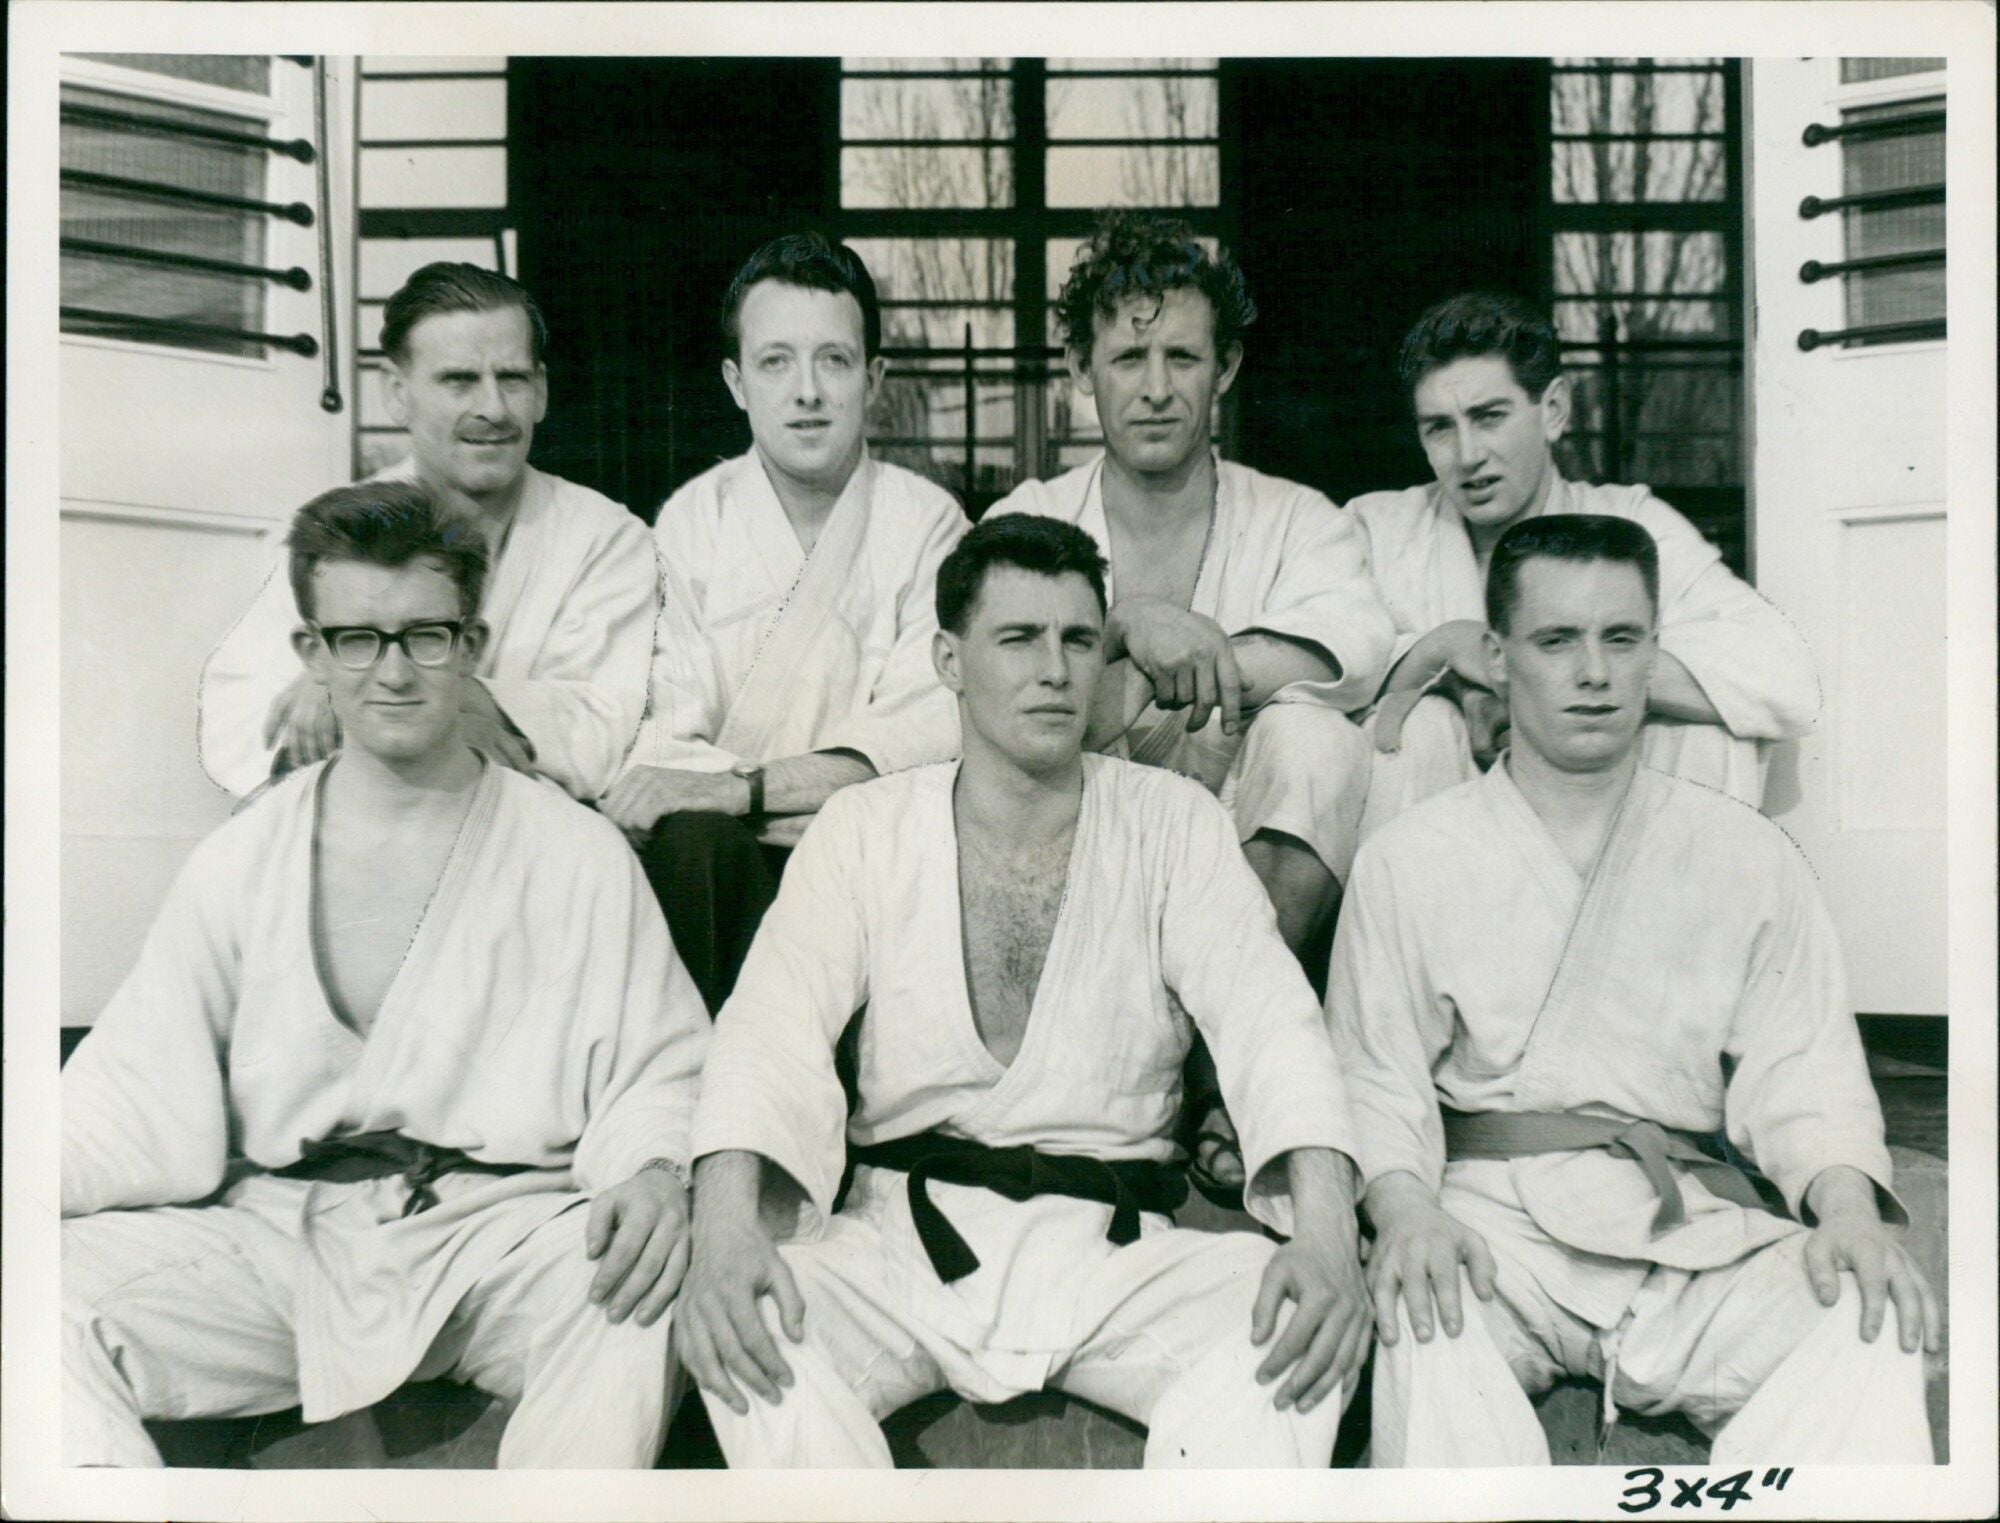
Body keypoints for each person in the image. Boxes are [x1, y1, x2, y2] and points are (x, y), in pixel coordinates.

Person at [675, 514, 1372, 1468]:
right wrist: (721, 1231)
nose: (1055, 669)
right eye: (1018, 639)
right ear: (949, 660)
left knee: (1301, 1328)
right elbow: (769, 1030)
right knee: (744, 1325)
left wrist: (1328, 1235)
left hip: (1120, 1249)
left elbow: (1271, 1023)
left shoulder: (1174, 825)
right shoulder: (863, 829)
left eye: (1079, 639)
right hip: (896, 1246)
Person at [65, 483, 710, 1469]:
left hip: (504, 1237)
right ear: (312, 654)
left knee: (642, 1291)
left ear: (474, 644)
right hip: (284, 1238)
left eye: (425, 635)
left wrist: (653, 1169)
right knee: (35, 1297)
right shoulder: (244, 858)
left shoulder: (577, 854)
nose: (394, 671)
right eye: (357, 639)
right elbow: (130, 1091)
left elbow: (659, 1070)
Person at [1328, 513, 1938, 1467]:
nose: (1595, 673)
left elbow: (1804, 1071)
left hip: (1686, 1227)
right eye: (1557, 640)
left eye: (1622, 639)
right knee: (1422, 1309)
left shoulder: (1747, 855)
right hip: (1496, 1232)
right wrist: (1407, 1213)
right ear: (1496, 654)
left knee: (1867, 1318)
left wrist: (1849, 1210)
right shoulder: (1408, 861)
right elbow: (1375, 1077)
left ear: (1655, 650)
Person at [987, 213, 1395, 969]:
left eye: (1182, 356)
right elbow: (984, 698)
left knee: (1320, 743)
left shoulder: (1298, 518)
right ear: (1081, 367)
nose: (1157, 389)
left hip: (1248, 853)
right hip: (1070, 841)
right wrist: (1124, 625)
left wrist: (1157, 661)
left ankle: (1220, 1044)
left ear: (1227, 366)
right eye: (1128, 357)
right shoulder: (1028, 519)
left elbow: (1360, 649)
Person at [600, 234, 968, 1015]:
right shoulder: (693, 521)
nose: (807, 391)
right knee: (692, 844)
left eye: (833, 361)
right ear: (736, 381)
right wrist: (744, 805)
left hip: (872, 859)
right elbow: (662, 730)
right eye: (776, 362)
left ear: (874, 379)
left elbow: (928, 732)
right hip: (728, 866)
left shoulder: (928, 524)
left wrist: (751, 786)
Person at [1351, 292, 1818, 836]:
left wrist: (1523, 680)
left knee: (1707, 732)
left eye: (1489, 417)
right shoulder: (1378, 528)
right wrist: (1443, 650)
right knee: (1422, 726)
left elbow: (1787, 681)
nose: (1467, 454)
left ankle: (1674, 916)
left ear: (1552, 411)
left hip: (1604, 825)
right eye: (1439, 427)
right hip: (1458, 849)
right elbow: (1325, 685)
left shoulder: (1629, 522)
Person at [200, 262, 658, 803]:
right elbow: (239, 718)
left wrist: (357, 691)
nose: (492, 408)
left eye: (511, 378)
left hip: (531, 831)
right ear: (397, 392)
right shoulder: (333, 529)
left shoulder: (605, 536)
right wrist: (454, 718)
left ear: (540, 391)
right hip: (353, 822)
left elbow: (608, 728)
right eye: (459, 380)